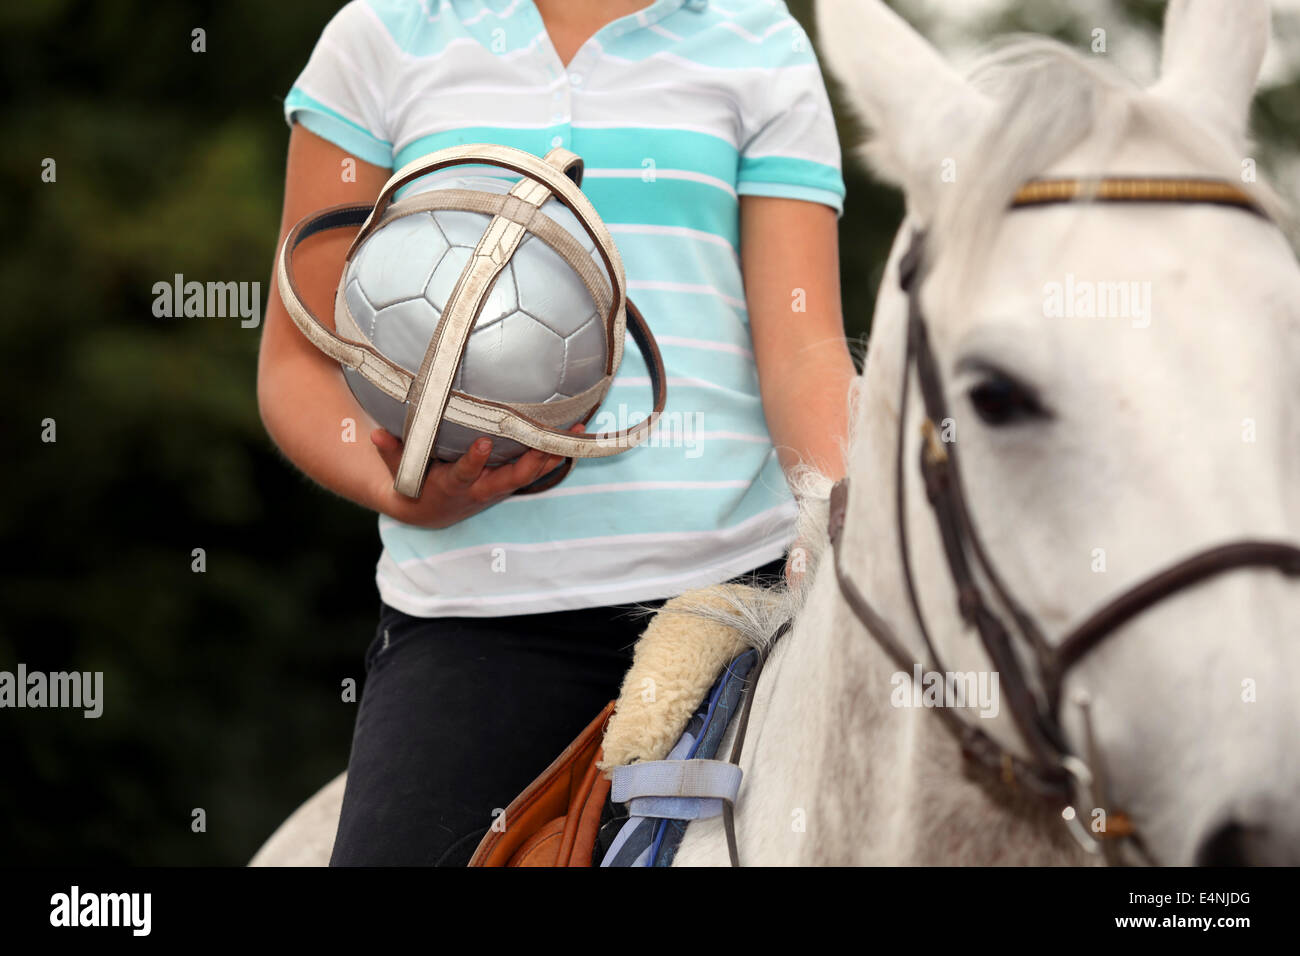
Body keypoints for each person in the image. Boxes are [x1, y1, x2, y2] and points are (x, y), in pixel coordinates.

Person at [258, 0, 853, 866]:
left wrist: (848, 531)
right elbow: (296, 364)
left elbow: (804, 353)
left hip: (733, 602)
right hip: (476, 621)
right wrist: (404, 492)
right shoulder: (382, 34)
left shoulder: (761, 40)